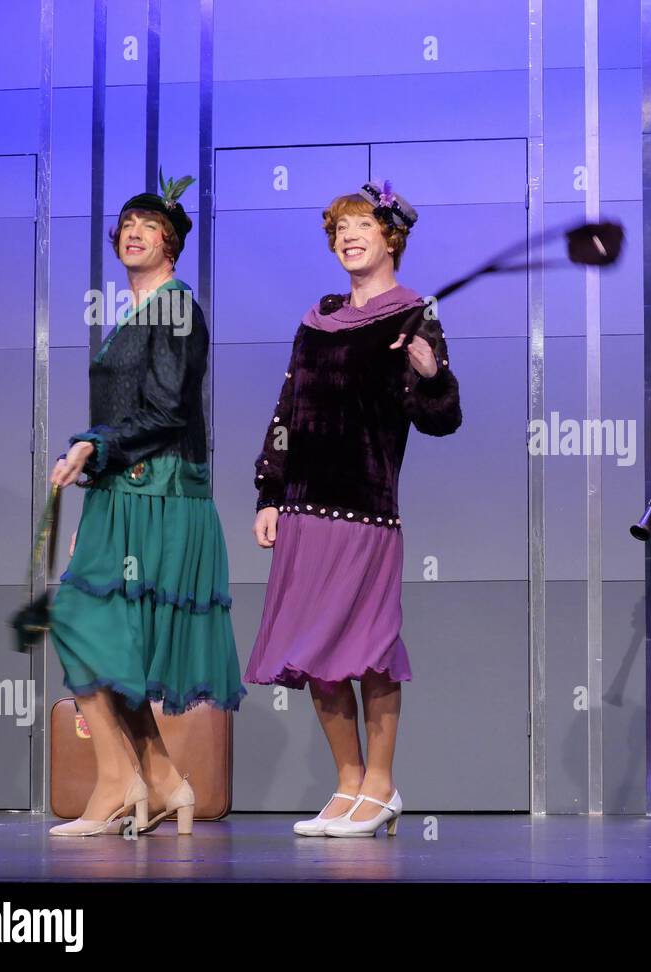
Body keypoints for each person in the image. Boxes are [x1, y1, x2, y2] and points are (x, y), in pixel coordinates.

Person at [245, 180, 461, 838]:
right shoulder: (317, 319)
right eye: (339, 229)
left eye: (361, 225)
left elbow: (442, 419)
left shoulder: (412, 316)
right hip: (305, 508)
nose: (348, 237)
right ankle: (346, 784)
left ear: (390, 236)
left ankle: (382, 786)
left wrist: (431, 374)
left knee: (366, 650)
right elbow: (288, 410)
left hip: (365, 510)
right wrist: (269, 491)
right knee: (314, 653)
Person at [48, 174, 245, 837]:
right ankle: (160, 780)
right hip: (120, 491)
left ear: (174, 242)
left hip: (158, 492)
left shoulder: (176, 308)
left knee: (85, 622)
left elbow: (166, 410)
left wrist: (89, 444)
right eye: (126, 222)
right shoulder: (135, 314)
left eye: (149, 224)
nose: (133, 230)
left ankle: (118, 781)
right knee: (104, 634)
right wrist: (94, 471)